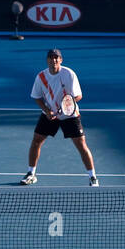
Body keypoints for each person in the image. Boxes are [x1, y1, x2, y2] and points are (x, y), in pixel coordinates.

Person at [21, 49, 98, 187]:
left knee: (81, 144)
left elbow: (79, 95)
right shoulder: (41, 77)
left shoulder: (69, 74)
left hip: (70, 114)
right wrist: (46, 110)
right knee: (36, 140)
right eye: (51, 58)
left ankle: (93, 177)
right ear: (47, 60)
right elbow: (37, 97)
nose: (54, 60)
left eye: (56, 58)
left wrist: (69, 104)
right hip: (50, 114)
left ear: (61, 60)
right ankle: (31, 174)